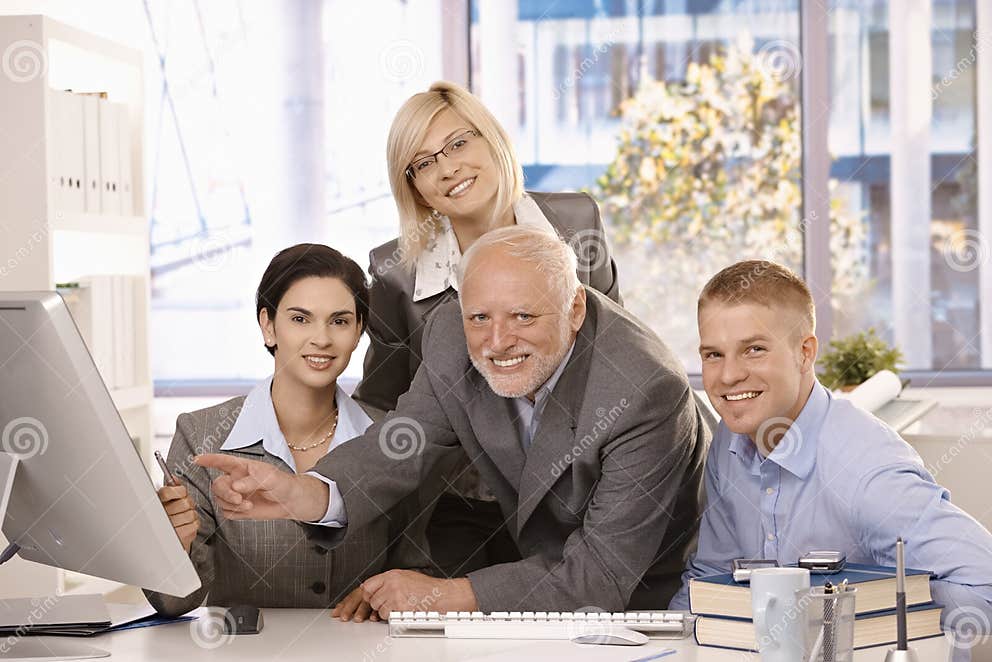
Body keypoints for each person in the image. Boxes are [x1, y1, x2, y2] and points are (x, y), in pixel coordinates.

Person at [198, 226, 708, 616]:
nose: (497, 341)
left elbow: (599, 575)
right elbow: (405, 441)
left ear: (574, 307)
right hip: (538, 584)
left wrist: (442, 595)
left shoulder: (642, 390)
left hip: (652, 595)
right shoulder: (450, 333)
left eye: (524, 317)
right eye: (480, 317)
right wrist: (304, 493)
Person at [352, 81, 623, 578]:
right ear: (413, 186)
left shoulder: (577, 220)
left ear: (491, 138)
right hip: (461, 505)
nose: (448, 167)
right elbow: (384, 407)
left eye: (458, 143)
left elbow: (612, 358)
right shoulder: (396, 274)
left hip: (575, 489)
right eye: (424, 162)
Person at [669, 260, 992, 628]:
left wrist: (853, 609)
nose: (728, 375)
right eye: (713, 354)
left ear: (805, 353)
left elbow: (985, 584)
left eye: (754, 349)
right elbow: (711, 577)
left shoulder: (865, 469)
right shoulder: (731, 440)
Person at [145, 244, 429, 619]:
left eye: (340, 321)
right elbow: (176, 603)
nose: (321, 338)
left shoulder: (389, 437)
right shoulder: (201, 434)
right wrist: (171, 548)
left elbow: (418, 571)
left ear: (360, 330)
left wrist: (396, 592)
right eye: (300, 319)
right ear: (268, 326)